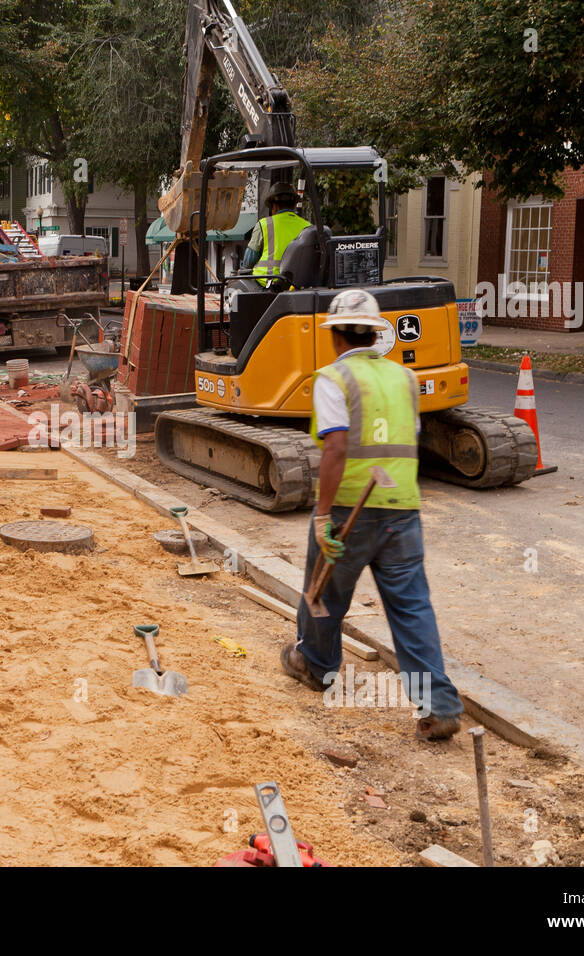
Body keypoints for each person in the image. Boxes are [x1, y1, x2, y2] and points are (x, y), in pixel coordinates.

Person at [279, 288, 463, 741]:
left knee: (324, 593)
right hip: (402, 509)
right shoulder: (404, 379)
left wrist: (322, 516)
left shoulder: (333, 379)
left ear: (337, 336)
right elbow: (409, 439)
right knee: (411, 607)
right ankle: (438, 705)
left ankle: (318, 666)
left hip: (349, 511)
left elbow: (336, 447)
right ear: (374, 333)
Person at [242, 181, 313, 286]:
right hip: (297, 285)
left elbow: (248, 262)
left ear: (274, 206)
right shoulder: (308, 226)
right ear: (294, 205)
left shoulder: (264, 224)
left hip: (268, 283)